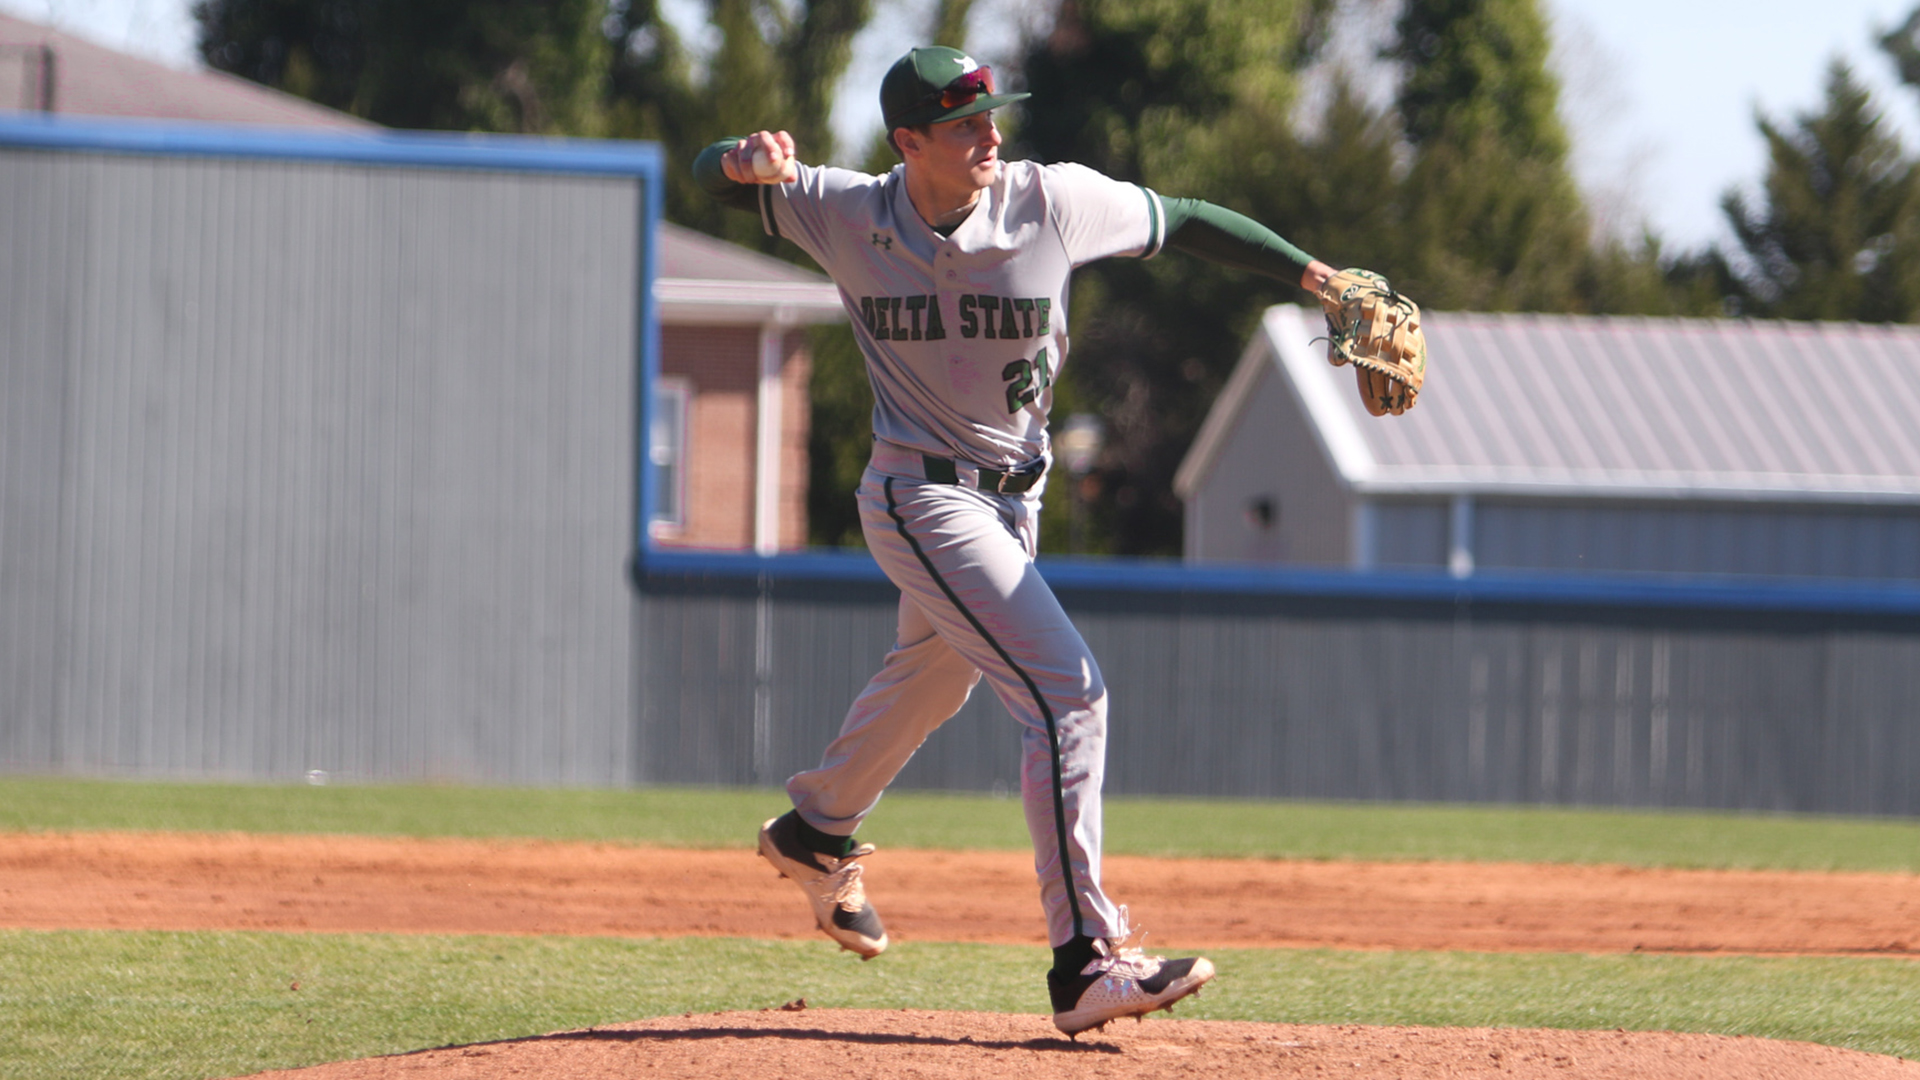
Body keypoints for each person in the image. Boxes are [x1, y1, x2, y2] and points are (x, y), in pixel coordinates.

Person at [693, 46, 1342, 1037]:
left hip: (1013, 506)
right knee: (1066, 690)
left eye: (993, 115)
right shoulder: (847, 211)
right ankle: (1086, 960)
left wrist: (1319, 279)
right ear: (908, 142)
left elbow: (1192, 220)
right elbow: (712, 181)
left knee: (938, 676)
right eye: (962, 124)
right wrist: (737, 157)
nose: (989, 134)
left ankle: (816, 827)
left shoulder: (1054, 201)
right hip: (918, 493)